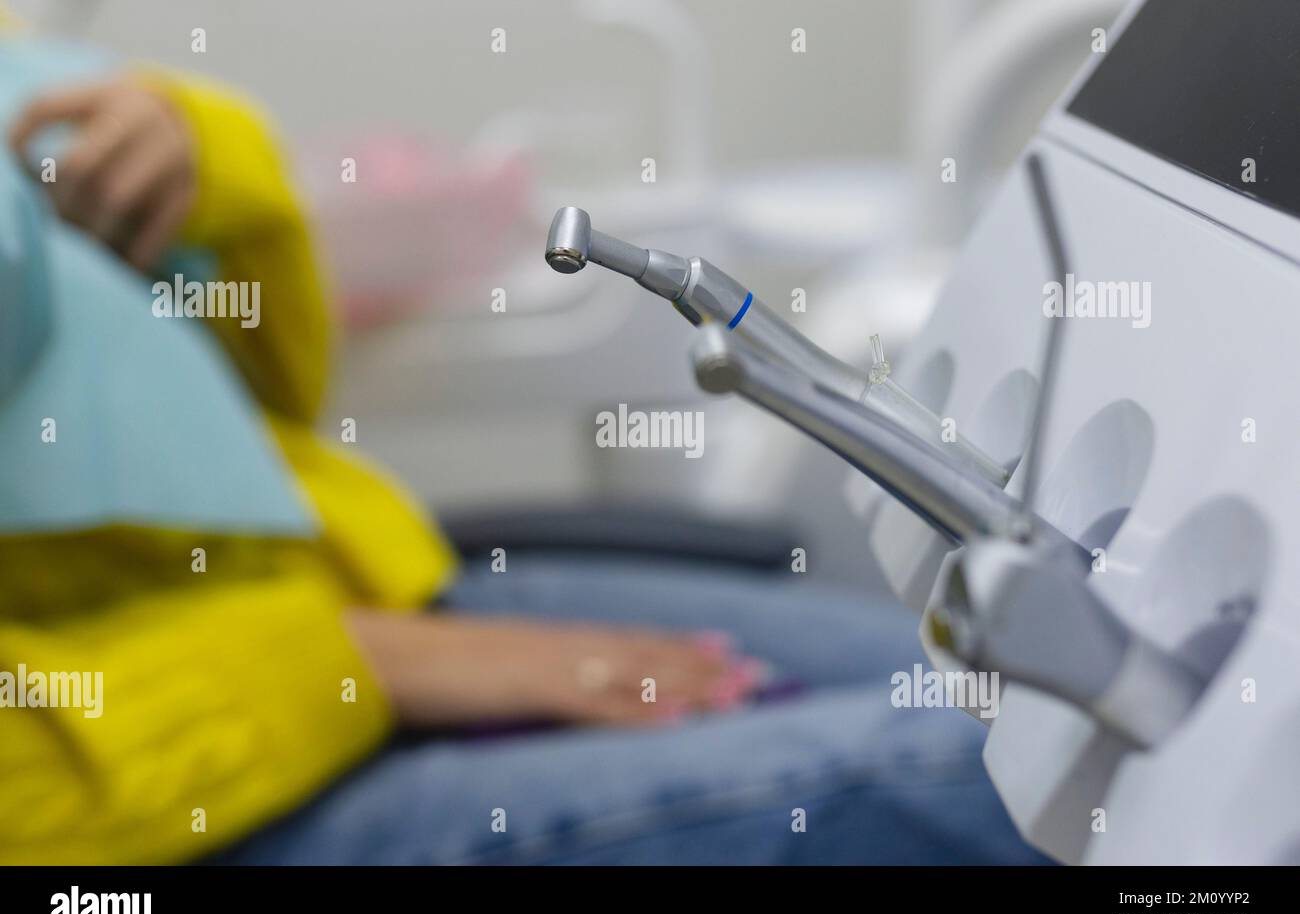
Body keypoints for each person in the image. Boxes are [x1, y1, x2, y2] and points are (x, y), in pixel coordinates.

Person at [0, 29, 1046, 865]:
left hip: (325, 602)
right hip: (156, 789)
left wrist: (197, 159)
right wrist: (349, 664)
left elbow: (253, 413)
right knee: (1038, 774)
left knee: (1017, 687)